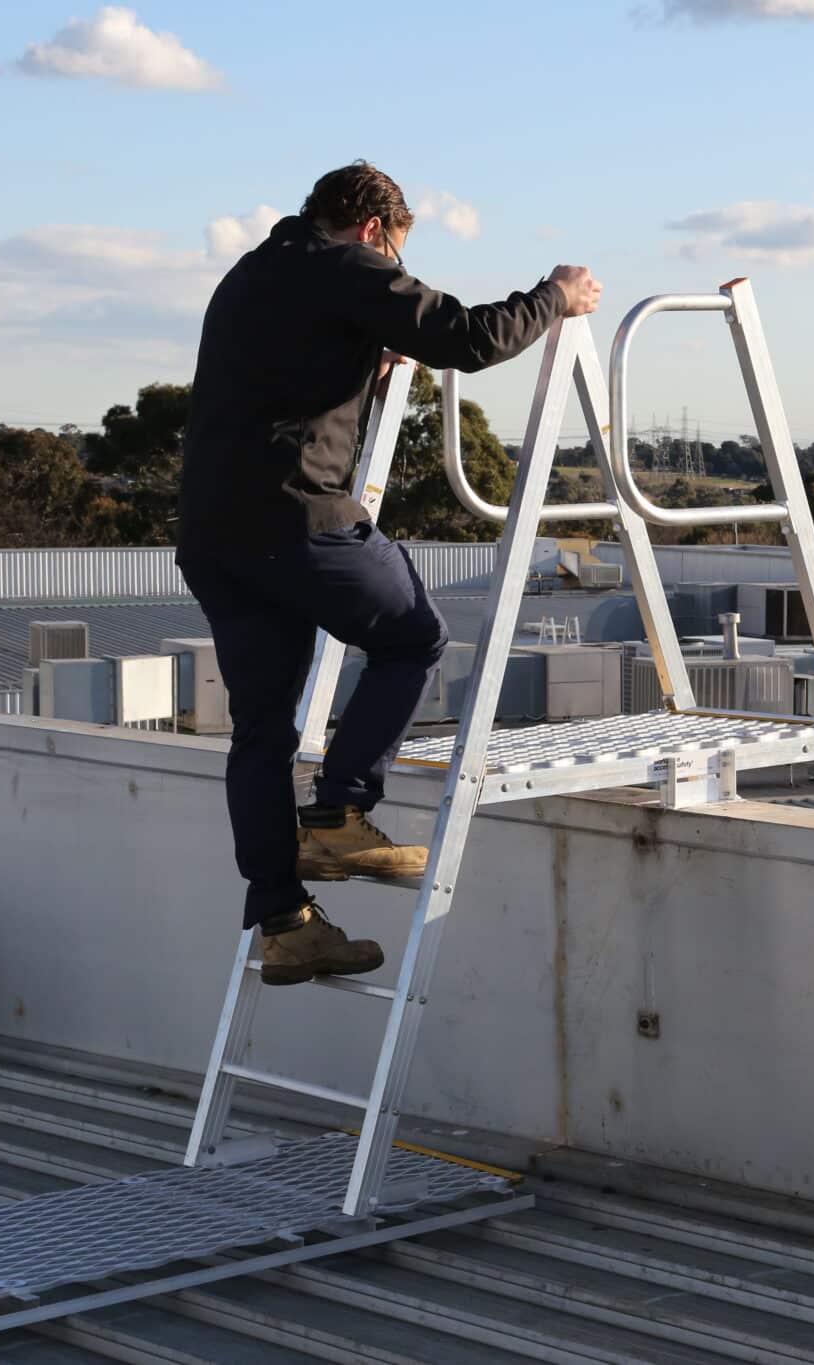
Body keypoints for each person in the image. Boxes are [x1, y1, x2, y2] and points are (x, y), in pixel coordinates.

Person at [177, 161, 601, 986]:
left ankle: (287, 922)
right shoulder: (347, 263)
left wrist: (364, 363)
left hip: (214, 535)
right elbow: (468, 340)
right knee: (415, 637)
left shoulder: (256, 272)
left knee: (262, 731)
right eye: (395, 255)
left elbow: (291, 373)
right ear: (374, 230)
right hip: (295, 519)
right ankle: (338, 811)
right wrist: (555, 297)